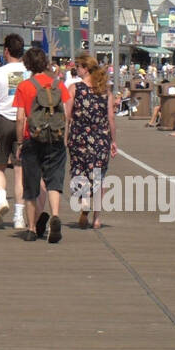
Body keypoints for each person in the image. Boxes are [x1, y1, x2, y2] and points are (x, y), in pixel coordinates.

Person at [12, 46, 71, 242]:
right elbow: (67, 113)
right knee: (54, 181)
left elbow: (20, 118)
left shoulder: (24, 86)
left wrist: (20, 142)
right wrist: (64, 135)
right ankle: (54, 215)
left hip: (32, 138)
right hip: (55, 138)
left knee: (31, 185)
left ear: (28, 64)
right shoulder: (57, 84)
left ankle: (31, 228)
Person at [0, 34, 28, 229]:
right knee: (20, 171)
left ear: (6, 51)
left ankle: (2, 198)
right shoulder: (28, 72)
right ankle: (19, 216)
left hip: (2, 121)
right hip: (24, 122)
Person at [66, 54, 113, 231]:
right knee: (99, 177)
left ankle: (85, 202)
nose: (76, 69)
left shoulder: (74, 88)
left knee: (79, 172)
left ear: (85, 68)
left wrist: (65, 137)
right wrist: (114, 141)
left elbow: (67, 116)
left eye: (78, 66)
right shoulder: (105, 91)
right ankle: (97, 218)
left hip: (79, 137)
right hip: (101, 139)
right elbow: (111, 118)